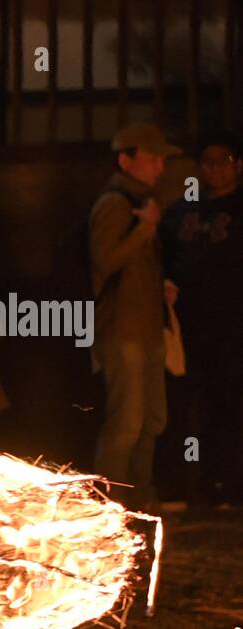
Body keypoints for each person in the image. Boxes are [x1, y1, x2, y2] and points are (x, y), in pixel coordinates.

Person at [90, 123, 181, 512]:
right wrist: (145, 229)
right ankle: (112, 503)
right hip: (124, 331)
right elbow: (104, 261)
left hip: (145, 329)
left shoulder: (140, 201)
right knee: (127, 422)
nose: (160, 166)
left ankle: (140, 498)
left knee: (149, 420)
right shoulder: (115, 204)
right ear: (125, 159)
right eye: (153, 157)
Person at [161, 132, 243, 508]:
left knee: (227, 407)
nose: (214, 169)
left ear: (237, 165)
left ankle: (226, 485)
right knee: (184, 408)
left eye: (222, 161)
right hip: (189, 327)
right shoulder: (184, 210)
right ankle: (184, 486)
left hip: (231, 328)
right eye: (207, 162)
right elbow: (164, 253)